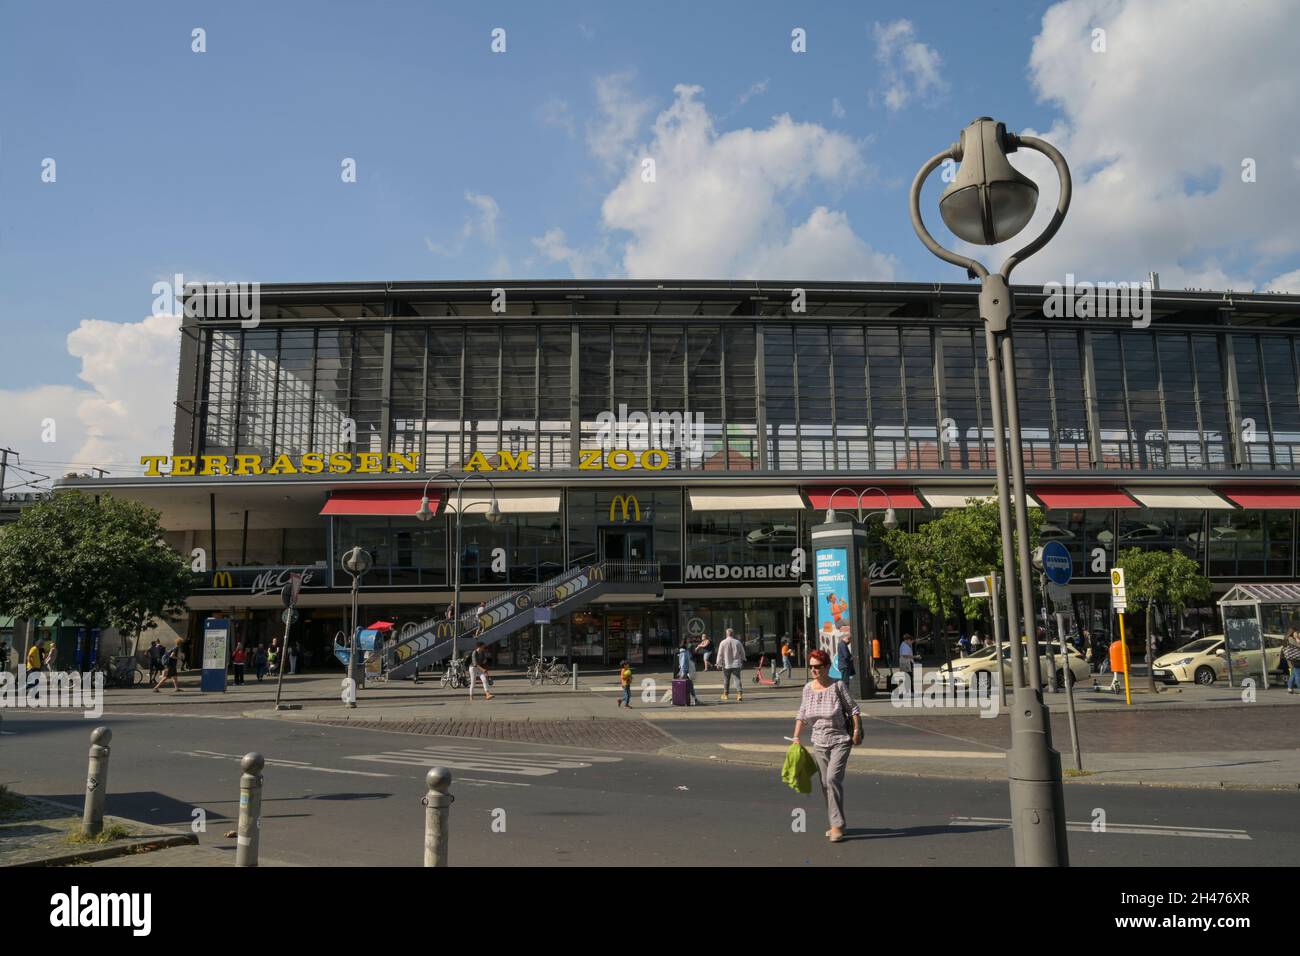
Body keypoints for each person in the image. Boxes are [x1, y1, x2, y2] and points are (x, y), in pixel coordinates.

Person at [792, 649, 862, 843]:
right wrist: (796, 737)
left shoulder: (837, 686)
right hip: (819, 742)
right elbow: (802, 714)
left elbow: (854, 708)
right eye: (811, 667)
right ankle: (838, 823)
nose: (814, 670)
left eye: (818, 667)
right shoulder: (808, 689)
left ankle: (836, 825)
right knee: (825, 784)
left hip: (840, 740)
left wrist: (856, 731)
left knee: (832, 779)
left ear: (827, 667)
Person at [716, 627, 745, 701]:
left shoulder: (723, 642)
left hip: (726, 664)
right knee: (737, 679)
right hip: (736, 664)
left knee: (726, 679)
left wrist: (718, 664)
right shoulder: (737, 642)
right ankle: (739, 694)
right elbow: (742, 652)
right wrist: (743, 659)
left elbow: (720, 654)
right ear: (733, 634)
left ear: (726, 634)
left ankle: (725, 694)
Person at [676, 640, 700, 705]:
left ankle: (677, 699)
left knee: (679, 685)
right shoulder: (686, 652)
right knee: (690, 686)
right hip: (687, 672)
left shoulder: (683, 653)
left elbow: (683, 664)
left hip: (685, 672)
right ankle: (694, 699)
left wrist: (682, 673)